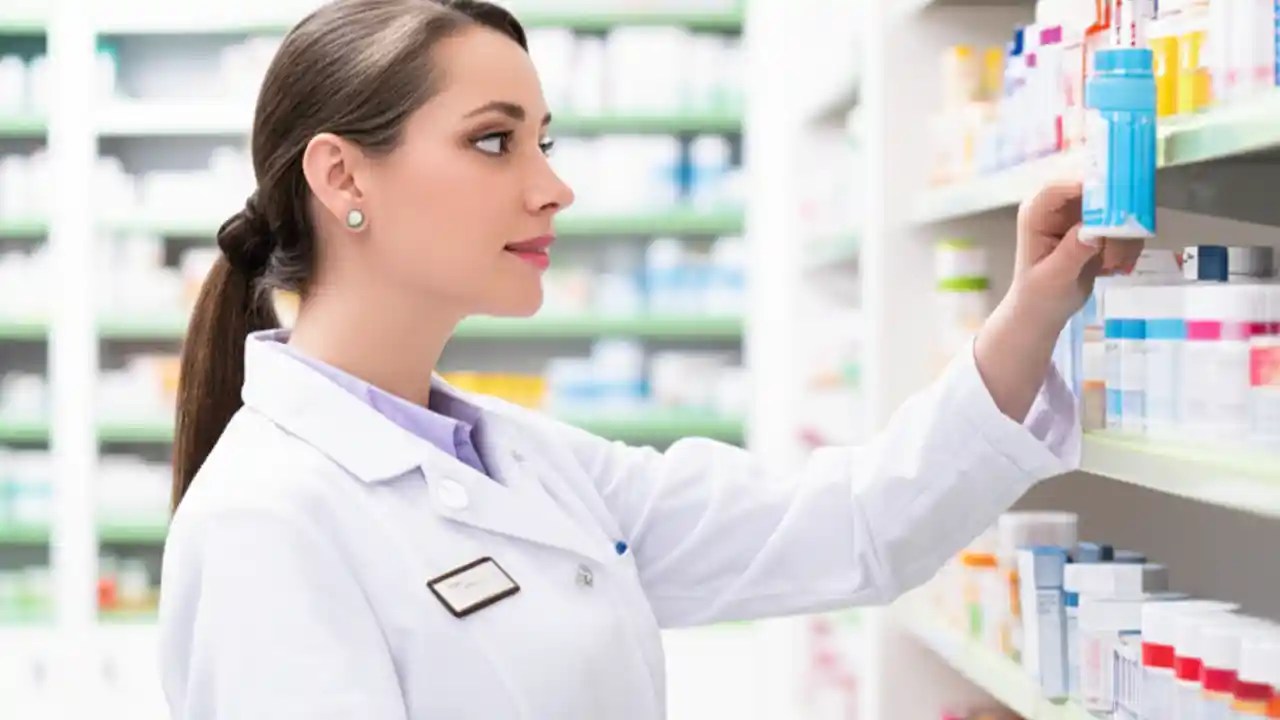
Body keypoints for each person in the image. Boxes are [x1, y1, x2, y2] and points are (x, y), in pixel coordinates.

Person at [156, 1, 1141, 718]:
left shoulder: (527, 464)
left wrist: (1033, 305)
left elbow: (849, 528)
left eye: (543, 141)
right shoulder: (267, 519)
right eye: (494, 142)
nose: (552, 188)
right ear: (341, 175)